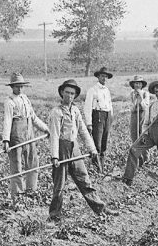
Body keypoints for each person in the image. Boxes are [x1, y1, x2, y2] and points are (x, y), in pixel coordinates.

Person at [48, 79, 115, 222]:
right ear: (61, 93)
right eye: (67, 93)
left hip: (75, 148)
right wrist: (54, 156)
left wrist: (92, 149)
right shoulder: (56, 112)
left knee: (84, 180)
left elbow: (83, 131)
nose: (69, 96)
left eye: (72, 93)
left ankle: (100, 209)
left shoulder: (75, 110)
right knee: (59, 185)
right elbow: (53, 135)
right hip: (61, 149)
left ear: (75, 95)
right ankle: (54, 215)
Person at [2, 73, 49, 199]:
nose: (20, 89)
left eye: (21, 86)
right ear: (12, 87)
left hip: (29, 137)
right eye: (17, 86)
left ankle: (31, 191)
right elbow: (7, 121)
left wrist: (46, 129)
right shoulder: (9, 101)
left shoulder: (26, 99)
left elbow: (33, 118)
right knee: (16, 167)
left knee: (33, 163)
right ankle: (17, 196)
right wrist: (6, 140)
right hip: (16, 138)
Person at [123, 80, 158, 187]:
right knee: (133, 149)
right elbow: (146, 122)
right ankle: (128, 179)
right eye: (156, 92)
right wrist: (144, 134)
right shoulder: (151, 105)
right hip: (150, 133)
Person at [83, 66, 114, 172]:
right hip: (98, 116)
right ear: (98, 77)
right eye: (102, 76)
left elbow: (110, 104)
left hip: (107, 116)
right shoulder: (92, 90)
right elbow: (87, 107)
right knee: (97, 142)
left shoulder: (107, 90)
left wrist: (111, 118)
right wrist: (89, 123)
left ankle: (102, 166)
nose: (104, 78)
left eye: (106, 76)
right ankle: (96, 168)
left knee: (104, 141)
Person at [127, 76, 151, 169]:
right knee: (134, 136)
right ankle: (138, 158)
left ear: (142, 85)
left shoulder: (146, 93)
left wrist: (140, 97)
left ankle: (146, 159)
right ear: (133, 84)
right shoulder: (132, 94)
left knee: (143, 136)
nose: (137, 85)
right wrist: (135, 102)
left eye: (139, 83)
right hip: (134, 115)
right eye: (136, 83)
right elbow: (132, 107)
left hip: (143, 115)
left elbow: (145, 106)